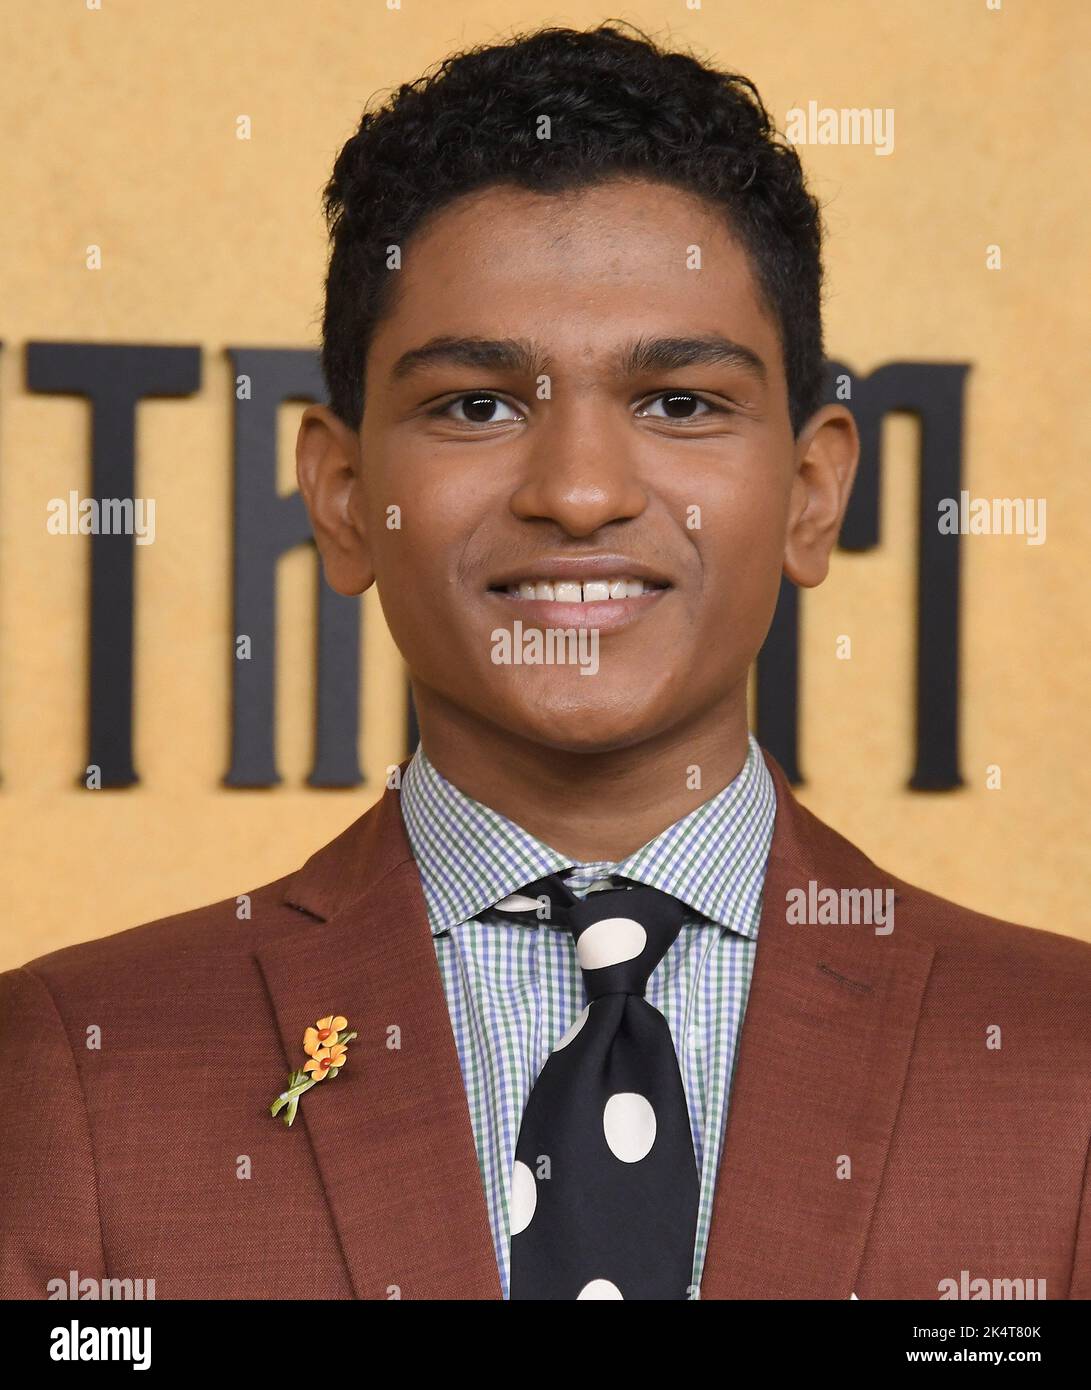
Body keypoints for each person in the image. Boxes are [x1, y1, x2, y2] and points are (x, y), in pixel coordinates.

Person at [2, 22, 1088, 1302]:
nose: (577, 492)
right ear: (342, 498)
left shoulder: (1059, 1060)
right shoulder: (76, 1064)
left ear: (809, 493)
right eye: (477, 404)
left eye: (678, 402)